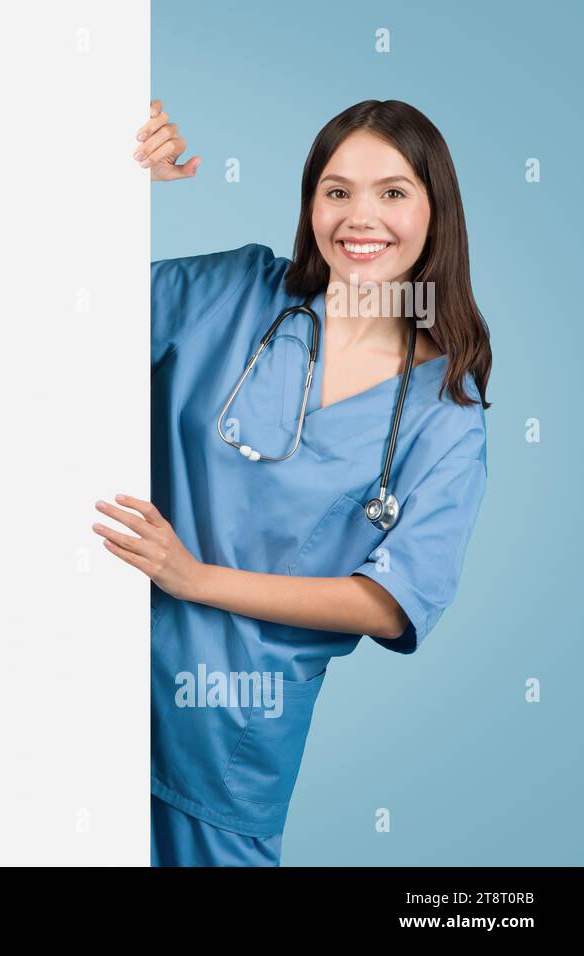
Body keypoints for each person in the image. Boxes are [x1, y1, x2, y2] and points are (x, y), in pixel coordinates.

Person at [93, 99, 493, 866]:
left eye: (393, 192)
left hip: (227, 736)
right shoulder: (236, 292)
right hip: (84, 677)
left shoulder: (447, 413)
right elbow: (60, 308)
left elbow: (386, 601)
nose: (359, 217)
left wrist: (193, 579)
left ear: (436, 212)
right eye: (336, 191)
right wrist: (118, 187)